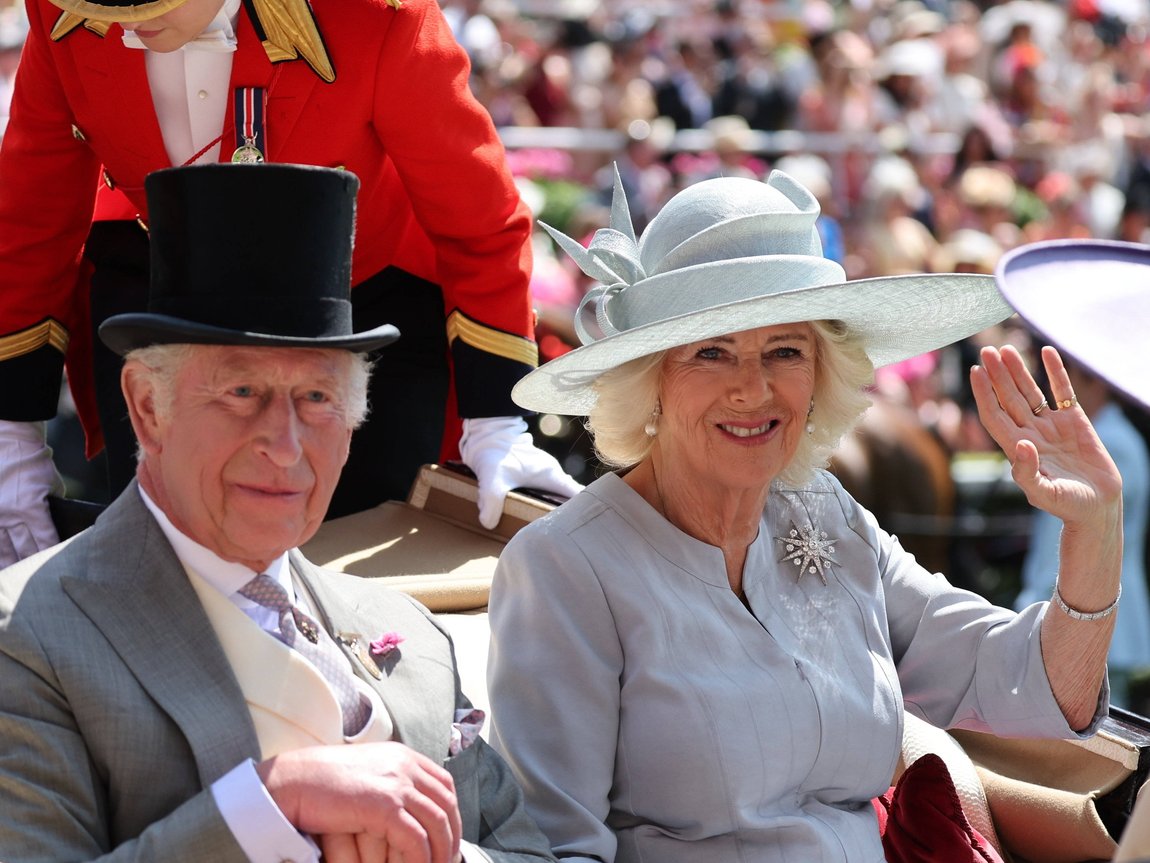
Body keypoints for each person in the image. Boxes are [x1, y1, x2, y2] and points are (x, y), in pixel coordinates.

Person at [486, 170, 1123, 861]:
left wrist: (1096, 528)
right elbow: (551, 849)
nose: (753, 387)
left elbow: (1027, 680)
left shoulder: (833, 518)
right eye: (712, 352)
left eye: (785, 350)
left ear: (821, 373)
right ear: (651, 381)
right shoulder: (565, 569)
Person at [0, 163, 556, 863]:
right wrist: (269, 802)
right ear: (146, 405)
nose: (285, 446)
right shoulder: (25, 634)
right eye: (241, 390)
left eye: (318, 399)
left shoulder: (409, 633)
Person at [0, 0, 581, 569]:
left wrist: (497, 417)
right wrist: (12, 435)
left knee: (362, 571)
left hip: (363, 312)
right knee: (160, 565)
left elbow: (476, 217)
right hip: (164, 296)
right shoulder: (63, 11)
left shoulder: (377, 14)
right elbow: (32, 220)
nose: (124, 19)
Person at [991, 240, 1150, 863]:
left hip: (1108, 597)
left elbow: (1099, 519)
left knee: (1113, 738)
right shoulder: (1108, 440)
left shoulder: (1118, 444)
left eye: (1080, 373)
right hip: (1084, 592)